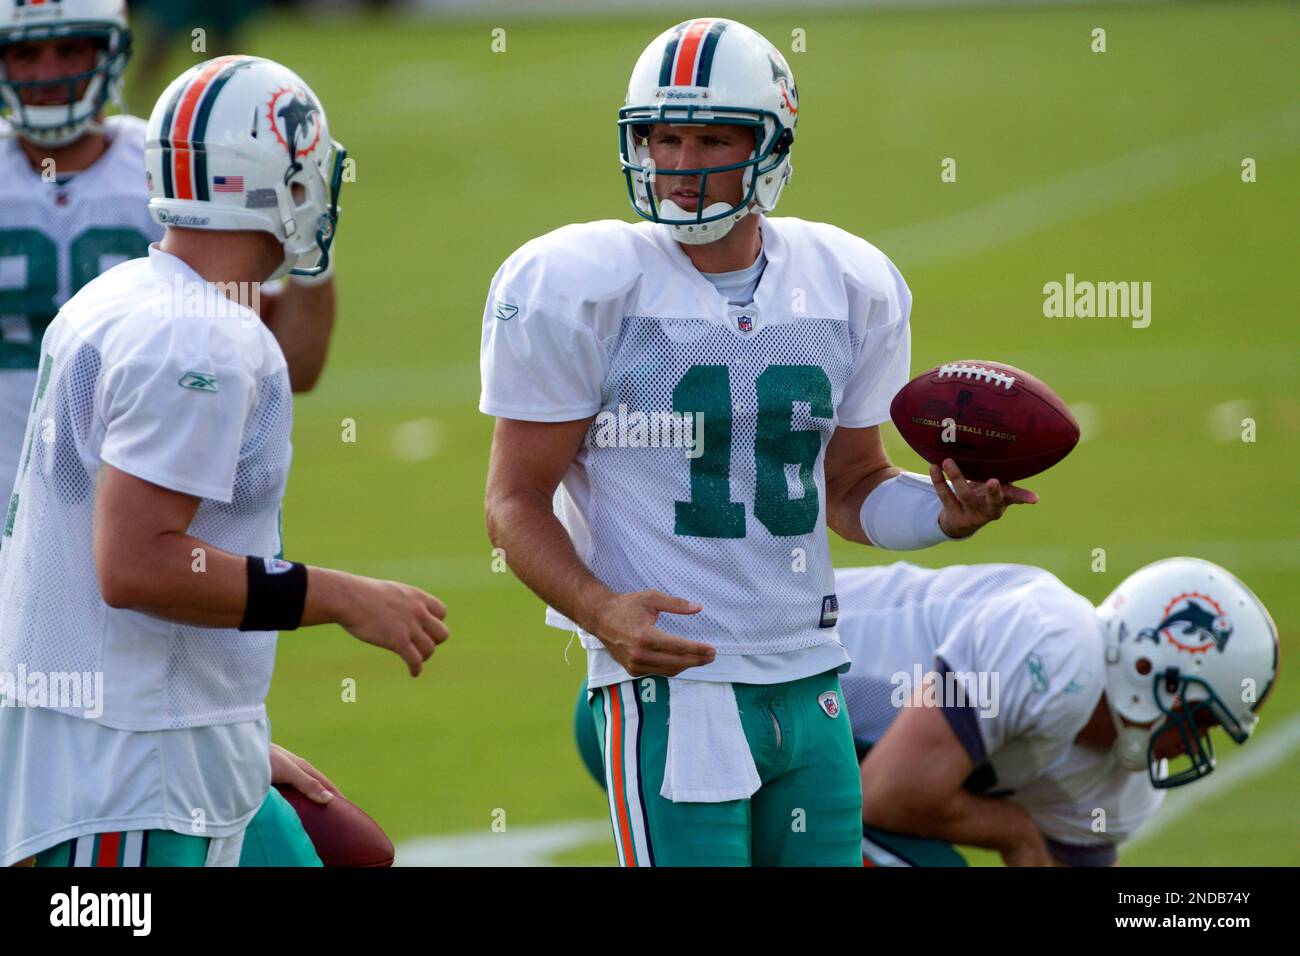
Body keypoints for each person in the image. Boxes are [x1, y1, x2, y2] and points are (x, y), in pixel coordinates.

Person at [482, 18, 1034, 867]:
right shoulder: (581, 284)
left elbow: (852, 489)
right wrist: (599, 610)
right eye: (662, 138)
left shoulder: (848, 282)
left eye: (710, 139)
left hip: (813, 680)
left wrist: (943, 517)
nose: (679, 163)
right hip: (675, 689)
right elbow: (513, 500)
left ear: (772, 146)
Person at [0, 54, 448, 868]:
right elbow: (135, 566)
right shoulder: (195, 334)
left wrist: (227, 729)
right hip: (132, 774)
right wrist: (342, 597)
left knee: (360, 856)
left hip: (165, 736)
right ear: (283, 183)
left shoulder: (128, 295)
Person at [574, 558, 1279, 866]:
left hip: (795, 750)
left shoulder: (1119, 789)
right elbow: (891, 793)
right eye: (1202, 719)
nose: (1196, 743)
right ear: (1151, 669)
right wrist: (1012, 832)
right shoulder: (1053, 642)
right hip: (685, 696)